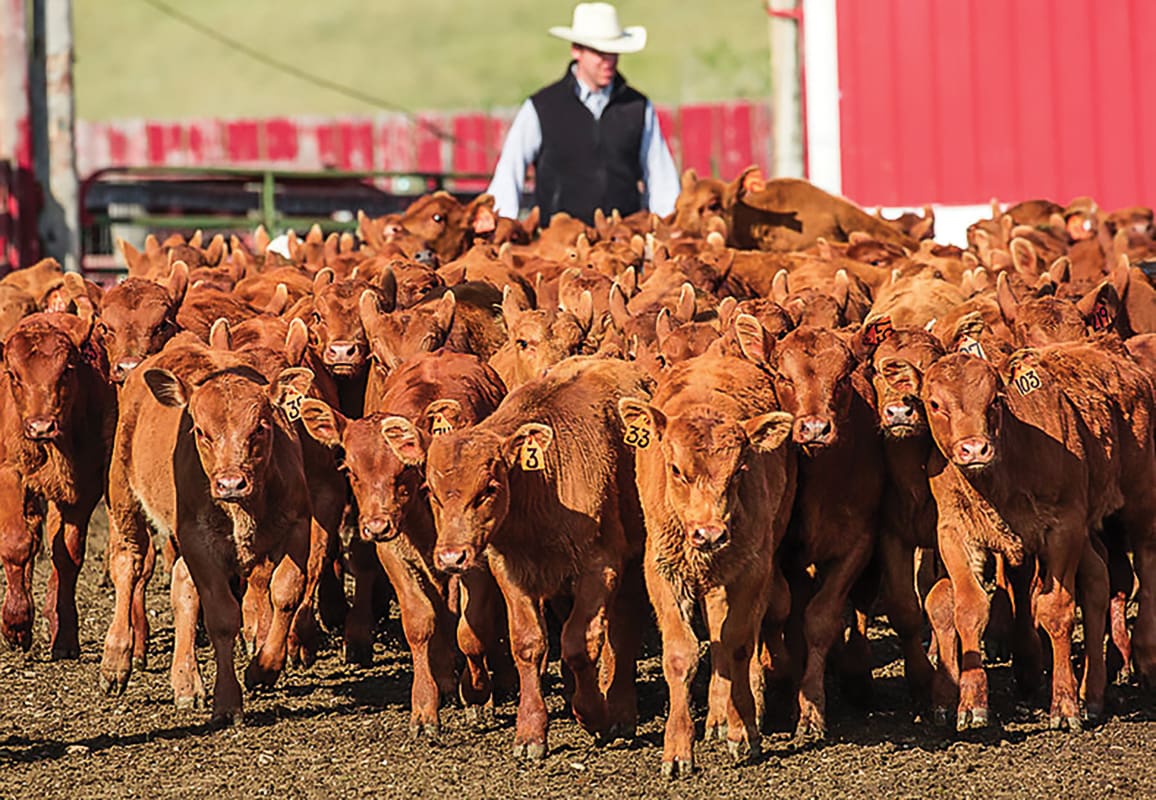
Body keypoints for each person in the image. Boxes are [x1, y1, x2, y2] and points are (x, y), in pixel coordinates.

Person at [487, 2, 680, 226]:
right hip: (559, 246)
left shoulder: (637, 107)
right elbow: (510, 172)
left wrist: (668, 228)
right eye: (599, 52)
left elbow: (660, 178)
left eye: (613, 52)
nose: (608, 61)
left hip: (622, 244)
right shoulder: (543, 106)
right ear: (577, 50)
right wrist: (501, 225)